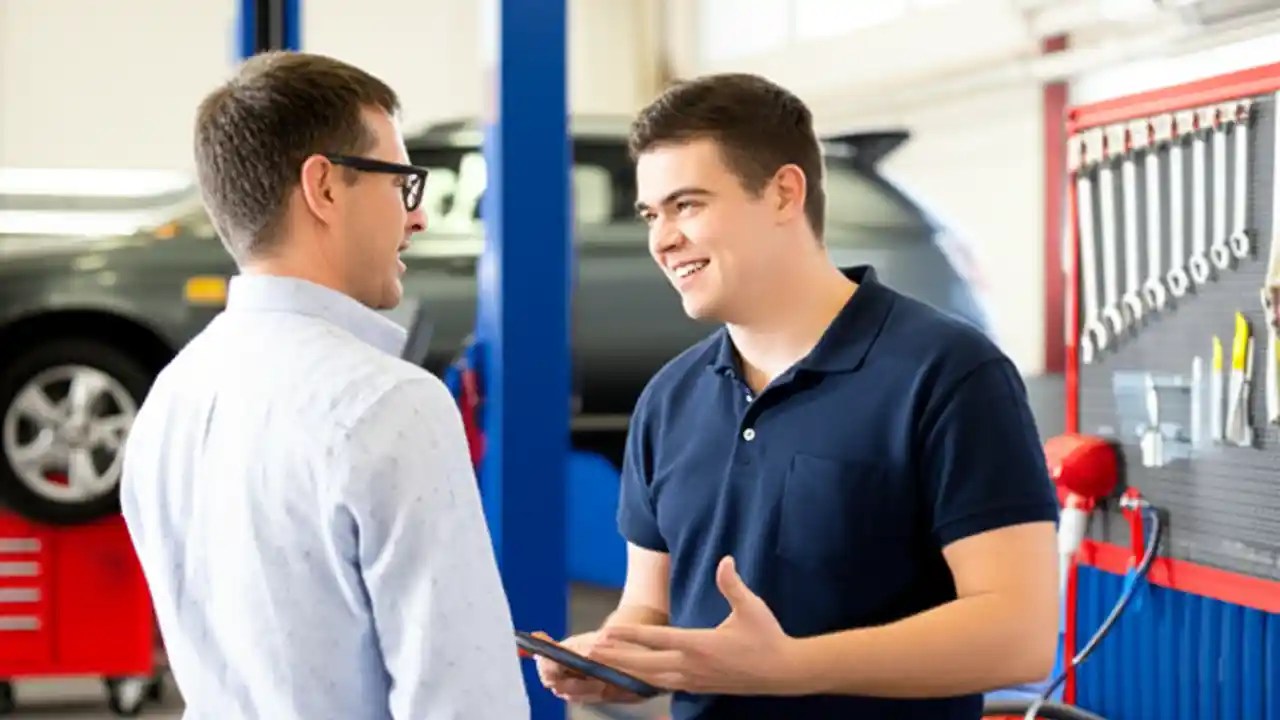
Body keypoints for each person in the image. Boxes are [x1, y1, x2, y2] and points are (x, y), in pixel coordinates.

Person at [534, 73, 1060, 719]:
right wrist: (617, 665)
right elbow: (652, 608)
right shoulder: (670, 399)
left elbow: (1019, 638)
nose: (662, 238)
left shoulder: (947, 372)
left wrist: (790, 669)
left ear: (784, 192)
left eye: (688, 204)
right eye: (653, 213)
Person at [119, 51, 528, 720]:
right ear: (326, 188)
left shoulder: (172, 396)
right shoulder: (390, 404)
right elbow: (465, 703)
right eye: (402, 183)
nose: (416, 217)